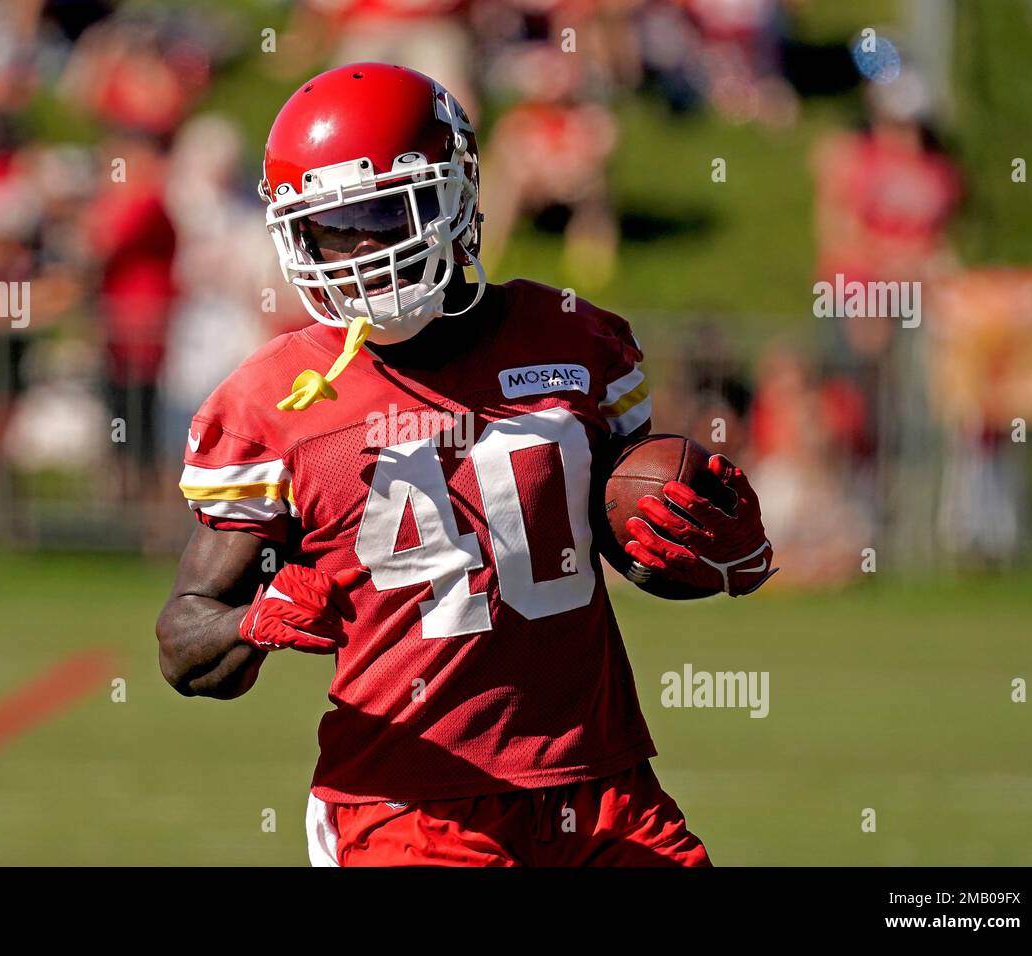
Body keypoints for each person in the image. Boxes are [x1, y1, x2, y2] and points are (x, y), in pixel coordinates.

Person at [155, 64, 775, 867]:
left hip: (598, 784)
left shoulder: (573, 343)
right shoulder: (275, 403)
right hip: (408, 803)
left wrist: (701, 546)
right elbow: (182, 643)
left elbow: (619, 540)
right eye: (330, 225)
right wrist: (253, 622)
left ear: (456, 197)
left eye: (382, 210)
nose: (360, 249)